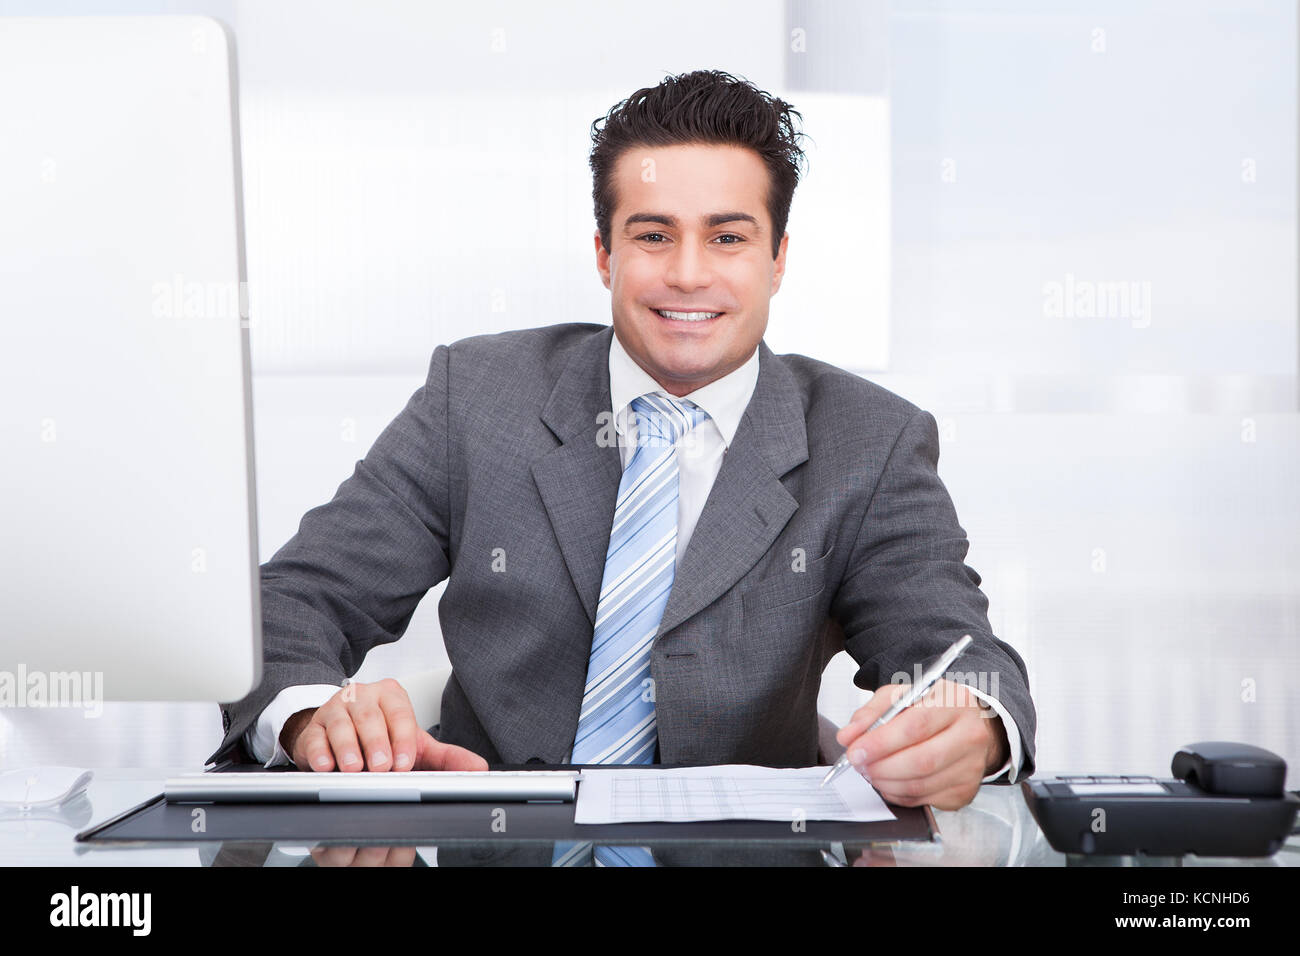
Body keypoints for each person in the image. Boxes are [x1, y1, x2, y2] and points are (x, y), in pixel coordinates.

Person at [208, 69, 1037, 812]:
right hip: (493, 849)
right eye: (651, 235)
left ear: (778, 259)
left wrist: (974, 727)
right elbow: (289, 603)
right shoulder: (479, 397)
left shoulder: (870, 439)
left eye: (727, 236)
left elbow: (967, 659)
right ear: (604, 254)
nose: (686, 273)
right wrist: (314, 713)